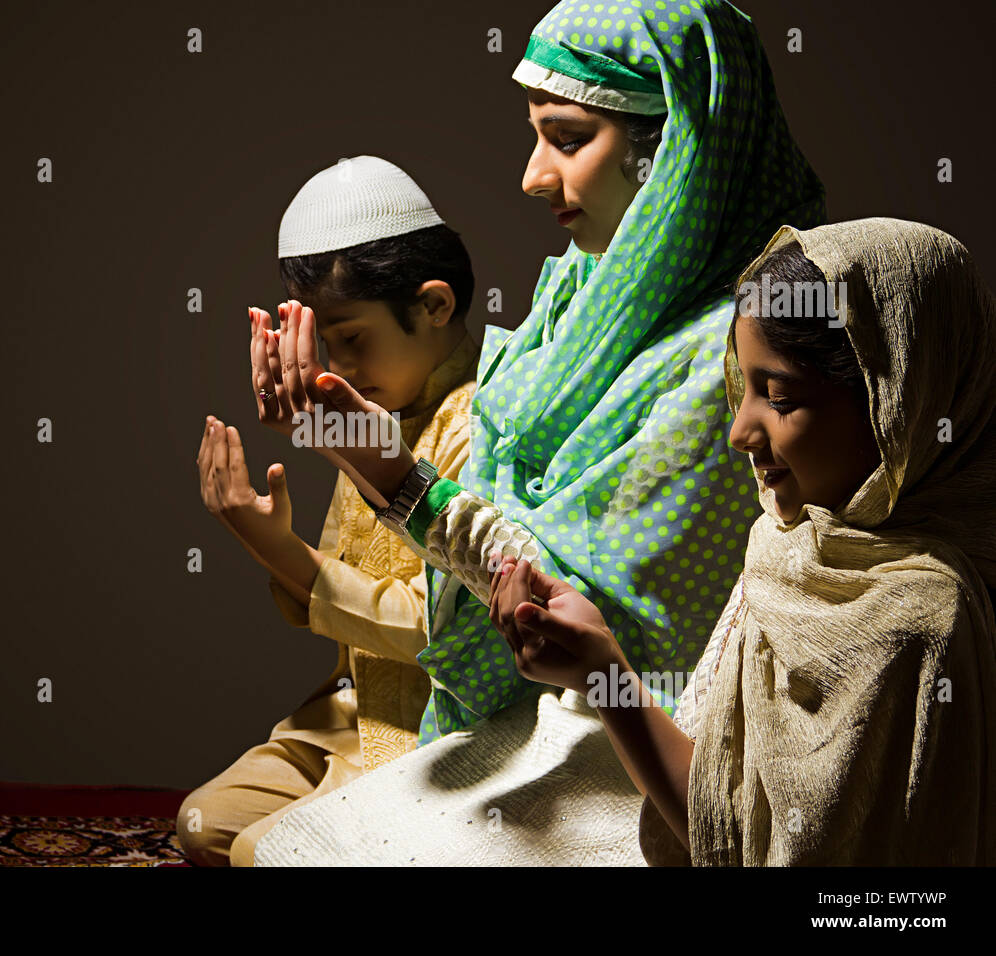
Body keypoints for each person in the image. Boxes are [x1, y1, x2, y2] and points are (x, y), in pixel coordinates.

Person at [252, 0, 825, 866]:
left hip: (642, 748)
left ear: (674, 147)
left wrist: (386, 471)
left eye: (566, 137)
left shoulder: (743, 342)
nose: (531, 176)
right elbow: (496, 527)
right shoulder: (576, 300)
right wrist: (355, 451)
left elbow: (578, 616)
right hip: (524, 719)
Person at [487, 218, 996, 865]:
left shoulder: (921, 620)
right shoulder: (789, 544)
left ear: (893, 401)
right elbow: (723, 817)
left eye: (778, 397)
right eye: (743, 386)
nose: (740, 430)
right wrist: (599, 670)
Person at [179, 156, 481, 866]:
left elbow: (434, 629)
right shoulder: (371, 410)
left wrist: (277, 548)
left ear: (435, 305)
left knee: (261, 851)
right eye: (321, 341)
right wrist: (273, 532)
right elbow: (323, 595)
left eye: (351, 339)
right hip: (347, 717)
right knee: (202, 821)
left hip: (440, 735)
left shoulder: (486, 421)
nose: (333, 367)